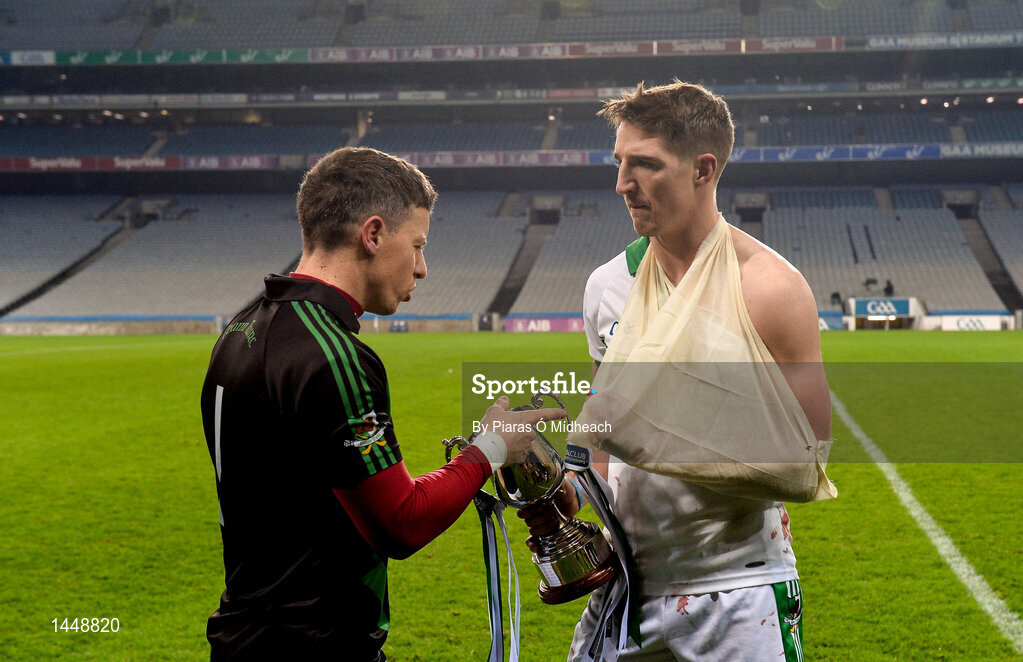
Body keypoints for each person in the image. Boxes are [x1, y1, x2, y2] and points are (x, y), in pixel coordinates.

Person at [199, 146, 565, 662]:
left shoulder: (240, 328)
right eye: (416, 245)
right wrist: (488, 450)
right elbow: (400, 522)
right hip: (314, 646)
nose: (421, 268)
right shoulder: (333, 354)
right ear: (372, 235)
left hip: (244, 635)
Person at [528, 81, 833, 661]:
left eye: (645, 165)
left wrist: (650, 434)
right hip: (626, 584)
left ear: (703, 169)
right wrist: (564, 492)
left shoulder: (773, 290)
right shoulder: (606, 287)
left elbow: (806, 460)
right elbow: (605, 438)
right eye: (620, 163)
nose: (622, 183)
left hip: (737, 589)